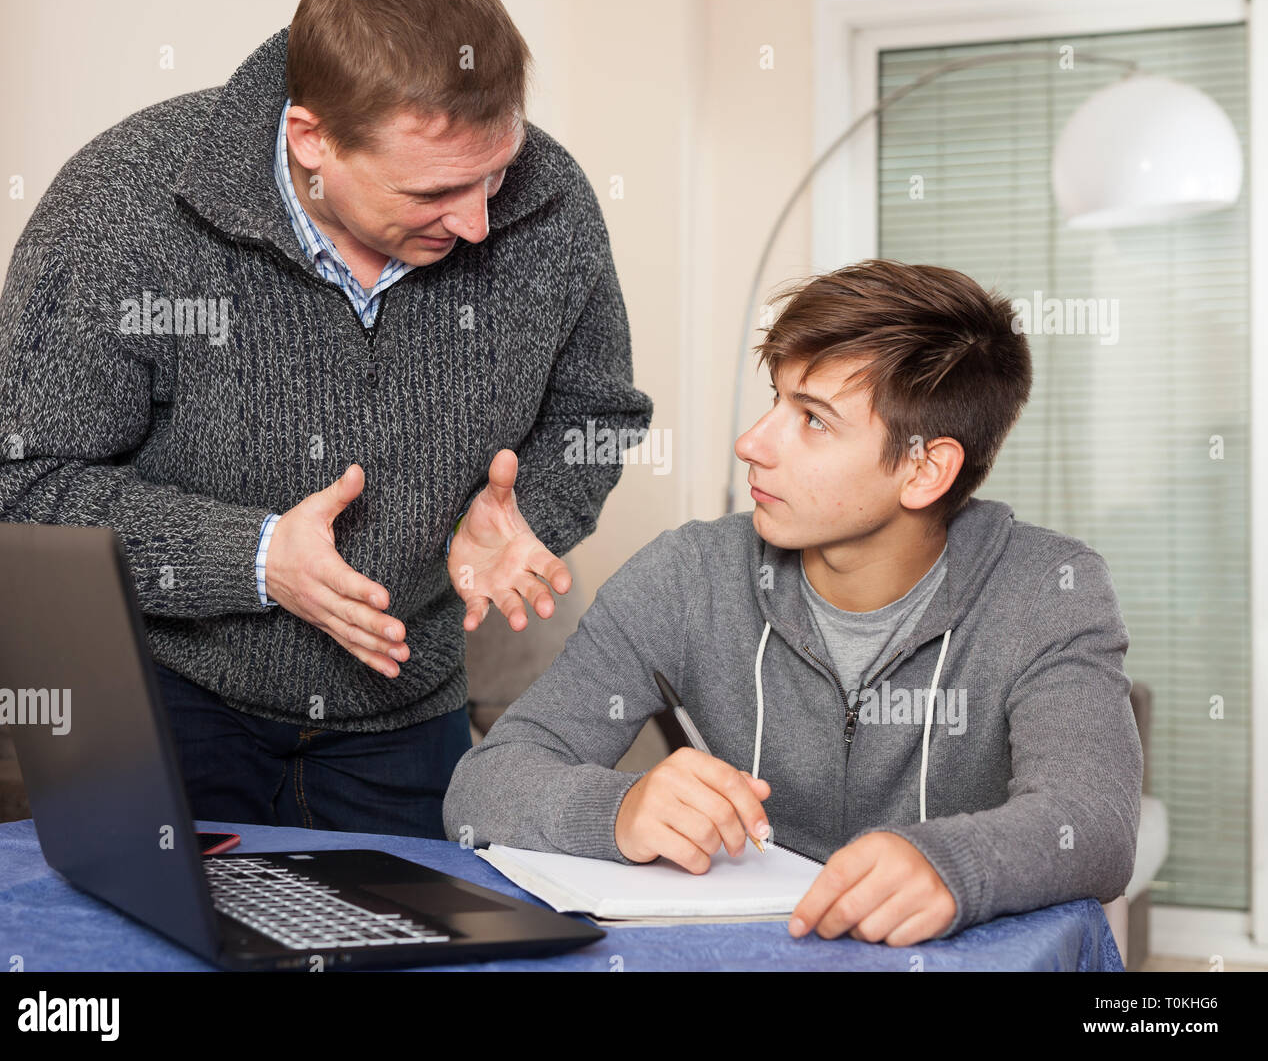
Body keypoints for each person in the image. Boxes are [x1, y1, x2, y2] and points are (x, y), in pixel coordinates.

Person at [0, 0, 651, 839]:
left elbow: (598, 415)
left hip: (410, 717)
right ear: (312, 141)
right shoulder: (122, 205)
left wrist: (524, 514)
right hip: (169, 703)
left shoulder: (550, 200)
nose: (482, 222)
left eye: (495, 173)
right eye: (437, 190)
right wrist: (254, 560)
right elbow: (12, 484)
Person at [443, 258, 1143, 944]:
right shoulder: (688, 575)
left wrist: (950, 864)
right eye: (776, 400)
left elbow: (1093, 820)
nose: (753, 444)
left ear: (926, 469)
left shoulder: (1051, 589)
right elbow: (483, 787)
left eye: (813, 420)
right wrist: (618, 808)